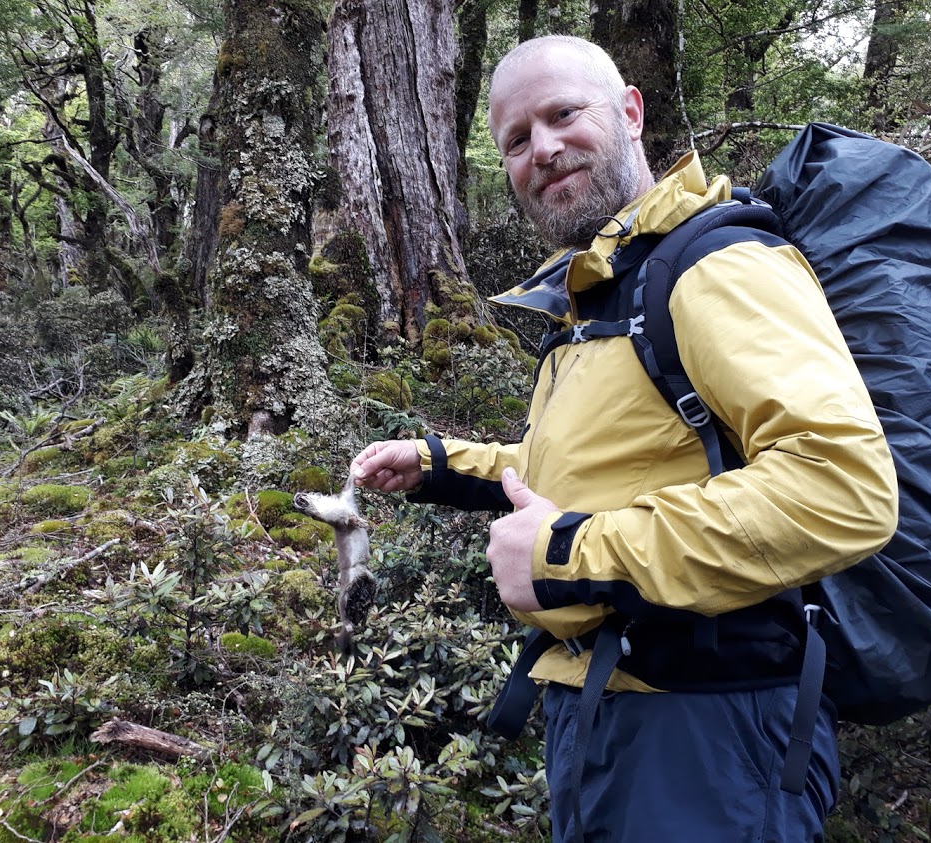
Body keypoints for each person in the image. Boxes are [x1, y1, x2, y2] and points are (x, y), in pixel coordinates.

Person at [351, 35, 898, 842]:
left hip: (704, 726)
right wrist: (440, 463)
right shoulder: (607, 290)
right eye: (515, 139)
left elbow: (843, 487)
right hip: (605, 705)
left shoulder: (714, 264)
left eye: (564, 113)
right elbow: (591, 473)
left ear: (631, 112)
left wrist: (567, 552)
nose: (544, 149)